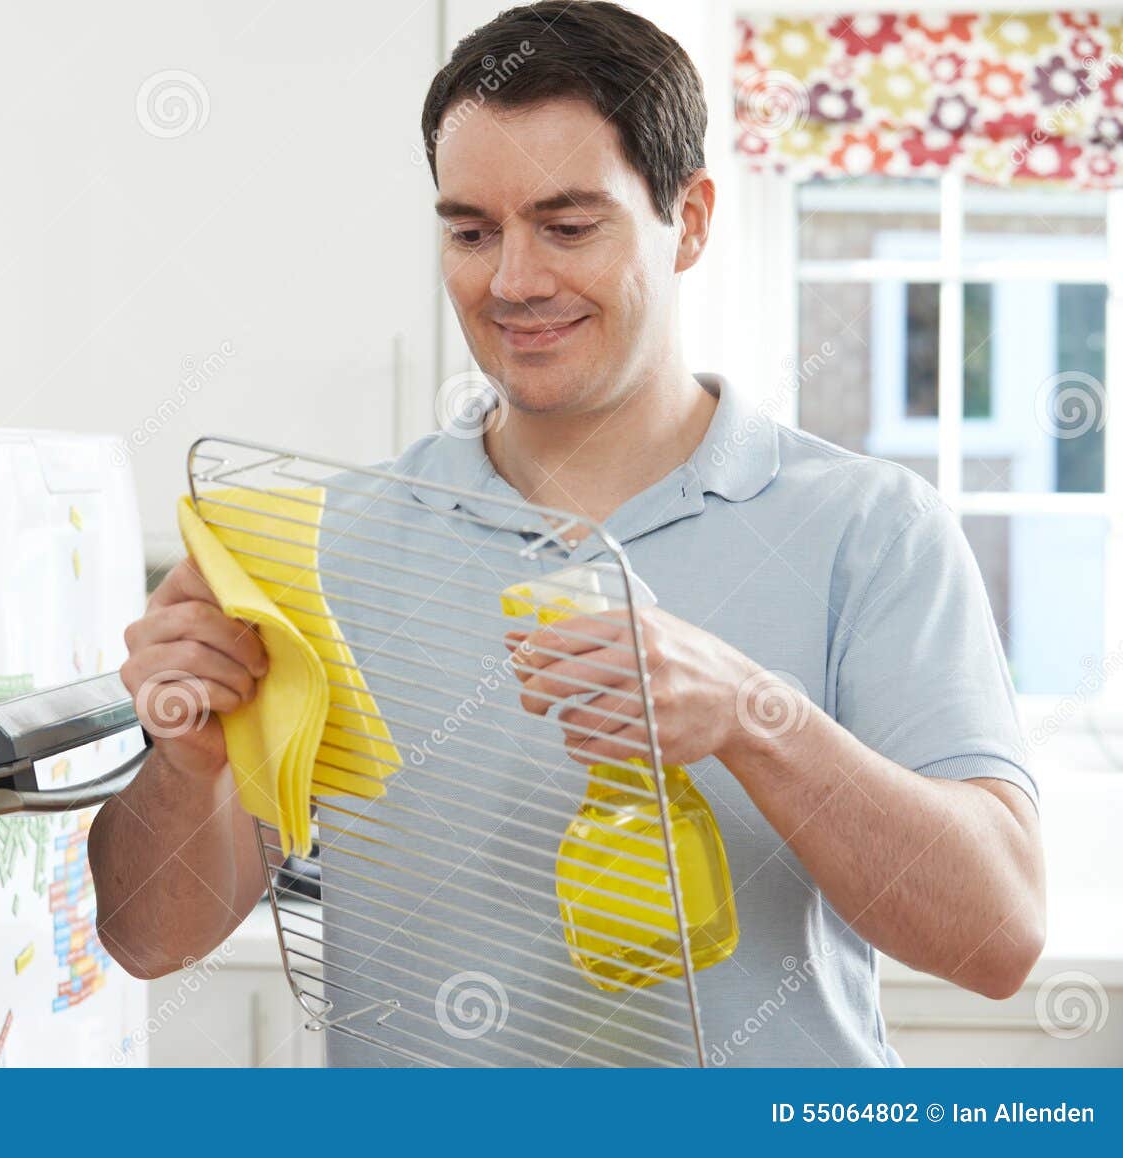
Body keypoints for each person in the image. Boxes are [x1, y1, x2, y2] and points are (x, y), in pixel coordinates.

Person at [89, 0, 1044, 1066]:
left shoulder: (870, 530)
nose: (512, 282)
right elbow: (147, 939)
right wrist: (188, 767)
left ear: (689, 220)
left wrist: (751, 717)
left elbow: (997, 940)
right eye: (470, 230)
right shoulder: (325, 544)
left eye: (568, 225)